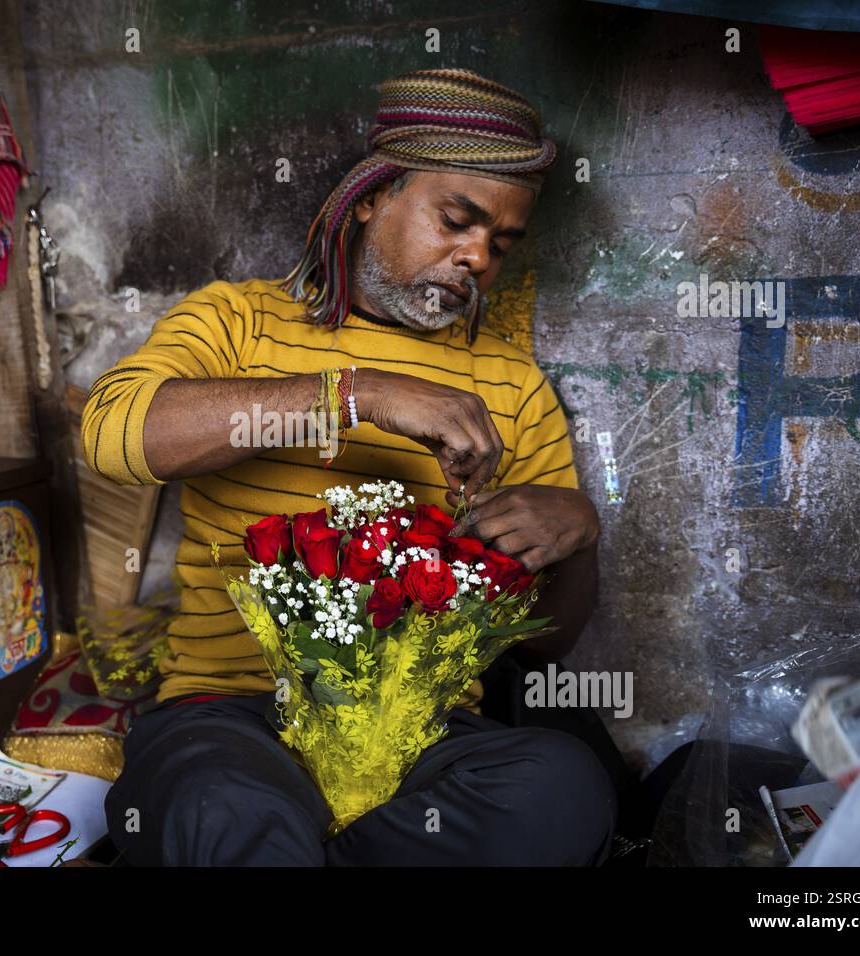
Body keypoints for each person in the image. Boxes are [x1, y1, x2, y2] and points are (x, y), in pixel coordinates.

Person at [82, 67, 616, 865]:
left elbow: (546, 645)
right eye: (456, 220)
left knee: (563, 790)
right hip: (235, 717)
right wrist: (357, 393)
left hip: (421, 737)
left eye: (501, 243)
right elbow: (114, 434)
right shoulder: (237, 320)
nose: (476, 257)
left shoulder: (510, 382)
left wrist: (578, 536)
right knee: (222, 806)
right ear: (370, 197)